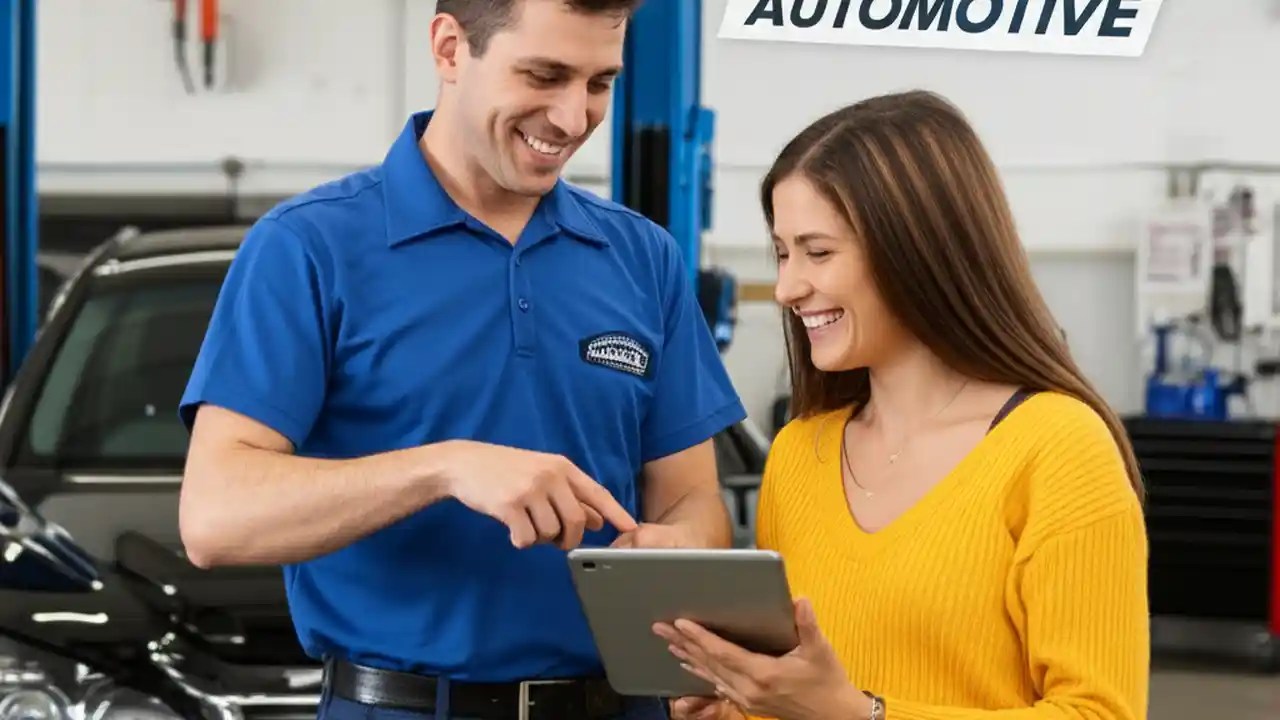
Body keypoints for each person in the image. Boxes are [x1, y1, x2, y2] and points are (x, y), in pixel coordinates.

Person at [176, 1, 747, 718]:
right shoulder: (308, 248)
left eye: (600, 83)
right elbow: (215, 518)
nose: (573, 117)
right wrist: (445, 469)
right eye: (544, 75)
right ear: (450, 49)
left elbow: (694, 500)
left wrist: (680, 546)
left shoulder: (643, 258)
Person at [657, 90, 1150, 720]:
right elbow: (805, 696)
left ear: (918, 250)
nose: (786, 287)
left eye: (818, 252)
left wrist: (859, 713)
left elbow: (1100, 713)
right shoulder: (799, 454)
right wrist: (740, 709)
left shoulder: (1059, 449)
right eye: (782, 253)